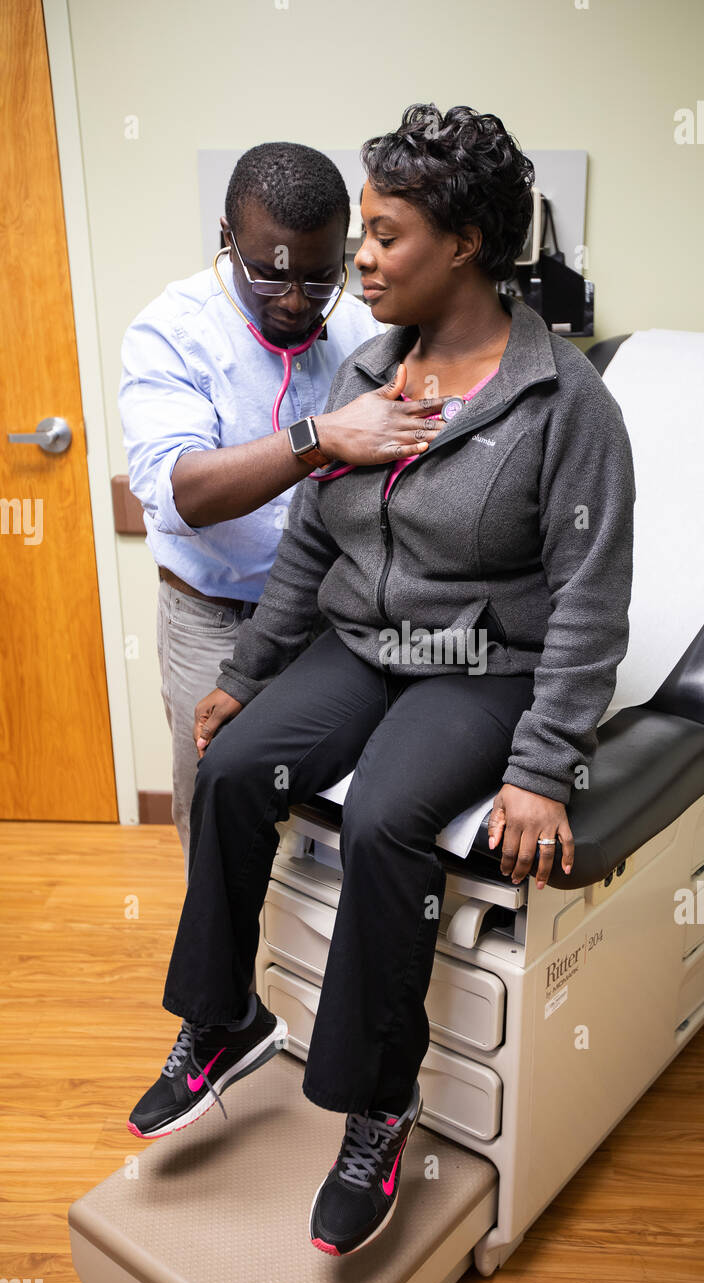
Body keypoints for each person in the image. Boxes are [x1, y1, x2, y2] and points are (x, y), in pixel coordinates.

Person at [127, 104, 636, 1260]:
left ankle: (376, 1101)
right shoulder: (367, 366)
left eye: (382, 233)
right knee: (235, 762)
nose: (356, 260)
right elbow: (311, 543)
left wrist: (543, 767)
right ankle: (224, 1019)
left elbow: (591, 599)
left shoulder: (563, 403)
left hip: (481, 666)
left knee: (390, 818)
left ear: (461, 245)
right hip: (359, 647)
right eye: (362, 230)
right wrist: (250, 674)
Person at [119, 143, 444, 874]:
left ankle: (301, 981)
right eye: (269, 272)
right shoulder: (172, 332)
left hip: (336, 625)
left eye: (318, 277)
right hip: (218, 622)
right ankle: (233, 989)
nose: (295, 299)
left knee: (323, 829)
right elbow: (179, 495)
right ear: (226, 239)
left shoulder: (363, 331)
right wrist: (321, 437)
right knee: (221, 825)